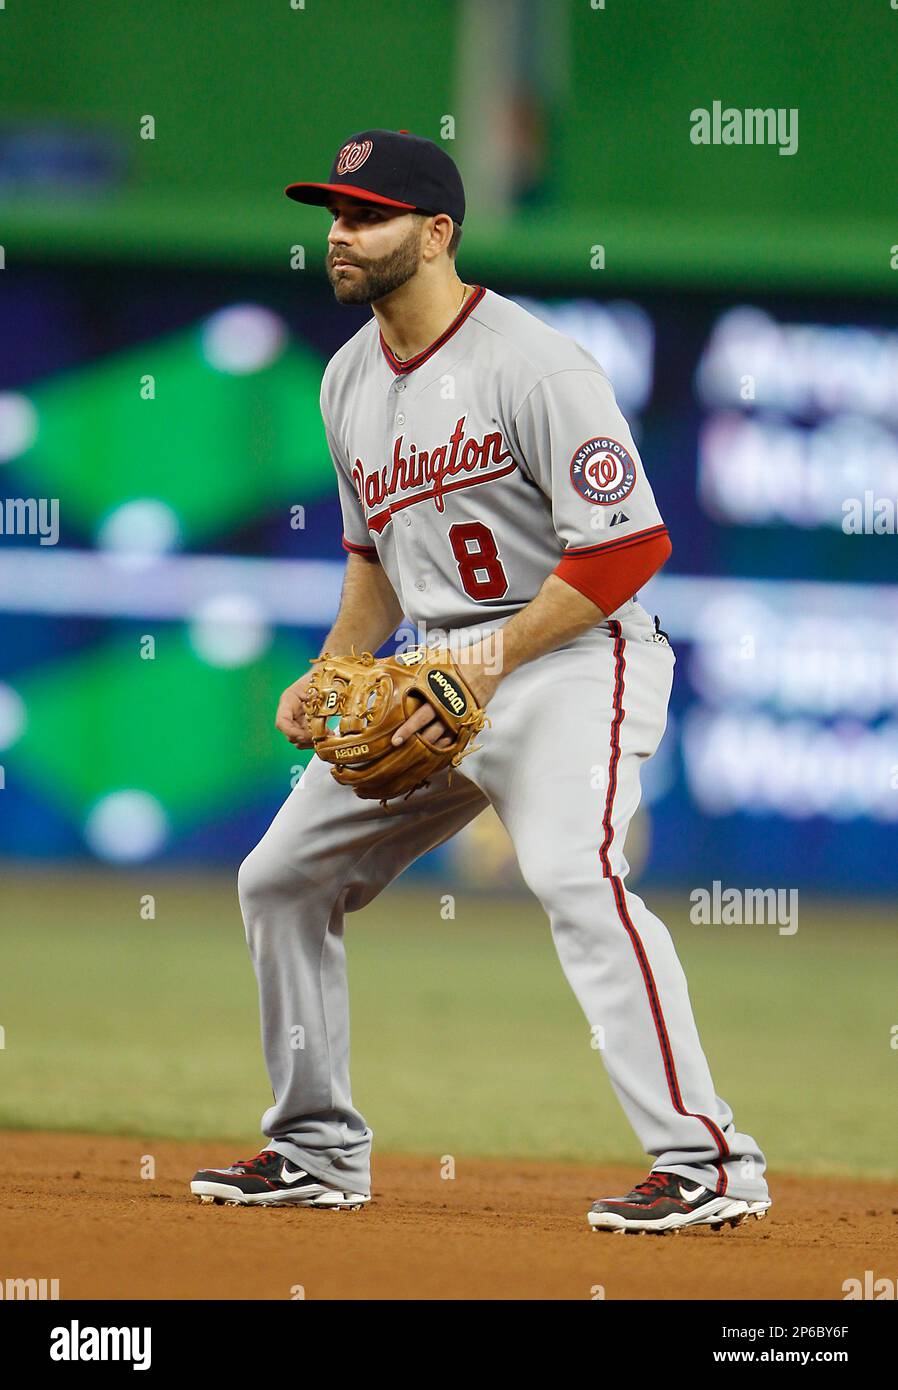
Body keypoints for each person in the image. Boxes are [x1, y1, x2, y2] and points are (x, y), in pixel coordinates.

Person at [190, 130, 771, 1234]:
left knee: (573, 876)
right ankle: (314, 1148)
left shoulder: (534, 361)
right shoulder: (346, 378)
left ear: (437, 232)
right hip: (431, 665)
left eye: (366, 216)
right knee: (279, 879)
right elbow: (374, 566)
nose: (340, 235)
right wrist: (330, 674)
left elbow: (624, 547)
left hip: (570, 652)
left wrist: (484, 661)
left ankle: (707, 1162)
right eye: (334, 215)